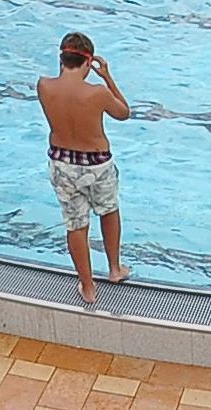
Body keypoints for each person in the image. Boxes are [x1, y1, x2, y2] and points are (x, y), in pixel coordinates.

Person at [36, 32, 131, 303]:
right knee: (109, 211)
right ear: (89, 63)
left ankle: (88, 289)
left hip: (62, 163)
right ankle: (114, 269)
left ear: (61, 59)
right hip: (97, 164)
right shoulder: (97, 93)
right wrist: (107, 77)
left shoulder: (44, 86)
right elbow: (124, 112)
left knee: (76, 226)